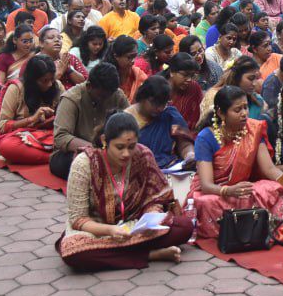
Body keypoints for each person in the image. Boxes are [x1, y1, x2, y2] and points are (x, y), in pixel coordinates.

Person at [55, 111, 194, 270]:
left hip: (134, 226)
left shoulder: (143, 155)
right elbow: (78, 219)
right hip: (96, 230)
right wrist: (110, 230)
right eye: (119, 147)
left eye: (131, 146)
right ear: (104, 140)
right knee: (74, 251)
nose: (126, 153)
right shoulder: (84, 164)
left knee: (185, 227)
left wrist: (151, 216)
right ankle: (150, 255)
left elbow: (156, 198)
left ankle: (117, 253)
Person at [190, 85, 283, 239]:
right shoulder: (206, 137)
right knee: (207, 203)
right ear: (221, 113)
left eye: (246, 108)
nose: (244, 114)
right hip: (216, 191)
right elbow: (207, 185)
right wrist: (229, 190)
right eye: (237, 110)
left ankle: (267, 227)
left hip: (243, 187)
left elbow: (269, 169)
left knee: (277, 187)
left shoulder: (253, 129)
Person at [50, 62, 131, 179]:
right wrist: (95, 151)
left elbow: (131, 124)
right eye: (101, 96)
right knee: (82, 164)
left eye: (109, 96)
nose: (105, 100)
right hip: (75, 152)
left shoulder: (116, 94)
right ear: (89, 86)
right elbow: (61, 137)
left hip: (109, 150)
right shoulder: (71, 98)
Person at [125, 75, 194, 169]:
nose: (160, 108)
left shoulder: (169, 115)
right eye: (155, 103)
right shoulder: (126, 119)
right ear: (142, 97)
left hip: (170, 168)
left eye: (164, 104)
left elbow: (184, 143)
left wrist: (189, 155)